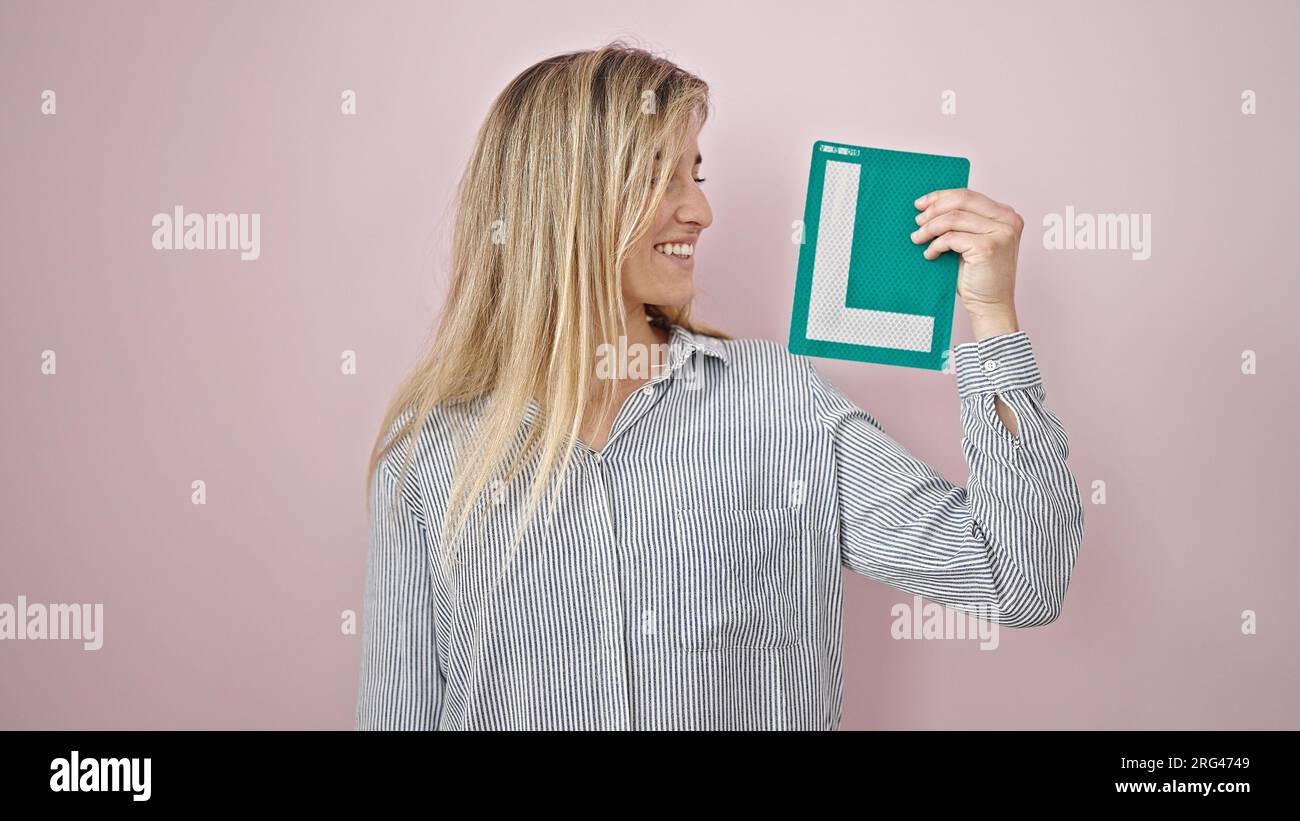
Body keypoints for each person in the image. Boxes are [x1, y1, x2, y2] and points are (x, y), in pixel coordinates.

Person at [354, 42, 1085, 731]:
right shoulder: (427, 455)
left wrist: (992, 317)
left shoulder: (780, 404)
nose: (700, 210)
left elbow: (1017, 577)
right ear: (561, 202)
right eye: (656, 177)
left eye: (695, 174)